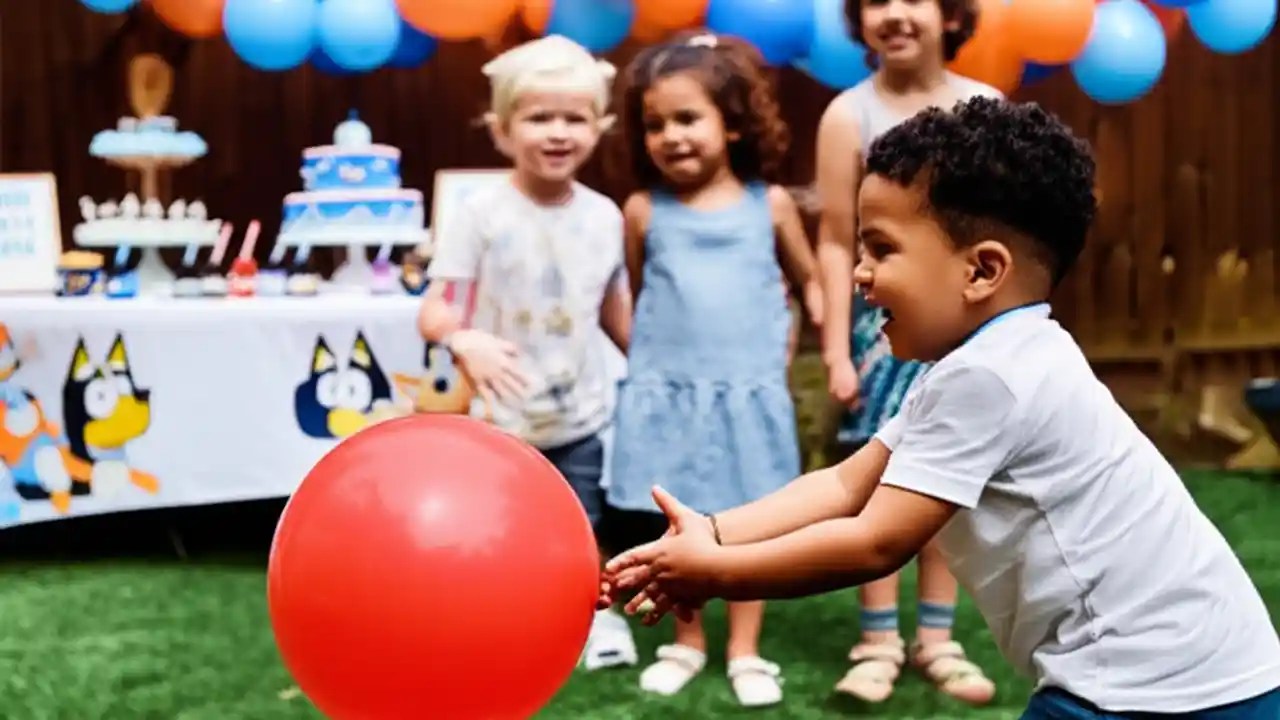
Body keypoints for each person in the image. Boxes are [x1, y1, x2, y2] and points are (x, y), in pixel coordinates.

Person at [601, 97, 1280, 720]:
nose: (861, 273)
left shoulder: (990, 376)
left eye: (882, 249)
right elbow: (843, 485)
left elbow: (875, 541)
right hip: (1199, 672)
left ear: (982, 271)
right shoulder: (993, 358)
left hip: (1157, 687)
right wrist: (714, 532)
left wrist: (716, 572)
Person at [600, 30, 822, 708]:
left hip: (747, 394)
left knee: (745, 524)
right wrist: (652, 364)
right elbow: (639, 295)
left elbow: (809, 284)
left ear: (732, 124)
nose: (670, 136)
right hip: (669, 394)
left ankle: (745, 650)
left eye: (687, 118)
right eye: (655, 124)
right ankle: (688, 642)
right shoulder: (642, 212)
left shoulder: (770, 205)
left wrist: (796, 340)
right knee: (680, 526)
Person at [416, 35, 637, 672]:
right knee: (488, 531)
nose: (558, 132)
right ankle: (491, 620)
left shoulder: (605, 216)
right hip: (498, 421)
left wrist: (655, 368)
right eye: (540, 117)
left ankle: (593, 622)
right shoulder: (479, 214)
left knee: (580, 527)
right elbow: (434, 309)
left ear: (599, 127)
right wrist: (464, 338)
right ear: (503, 129)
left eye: (575, 118)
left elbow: (615, 313)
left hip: (580, 414)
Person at [813, 0, 1003, 704]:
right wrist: (836, 349)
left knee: (941, 484)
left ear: (951, 14)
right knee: (875, 485)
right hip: (879, 327)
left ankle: (935, 637)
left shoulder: (984, 106)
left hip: (965, 322)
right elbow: (836, 239)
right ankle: (876, 639)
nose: (894, 14)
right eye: (874, 2)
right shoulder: (847, 115)